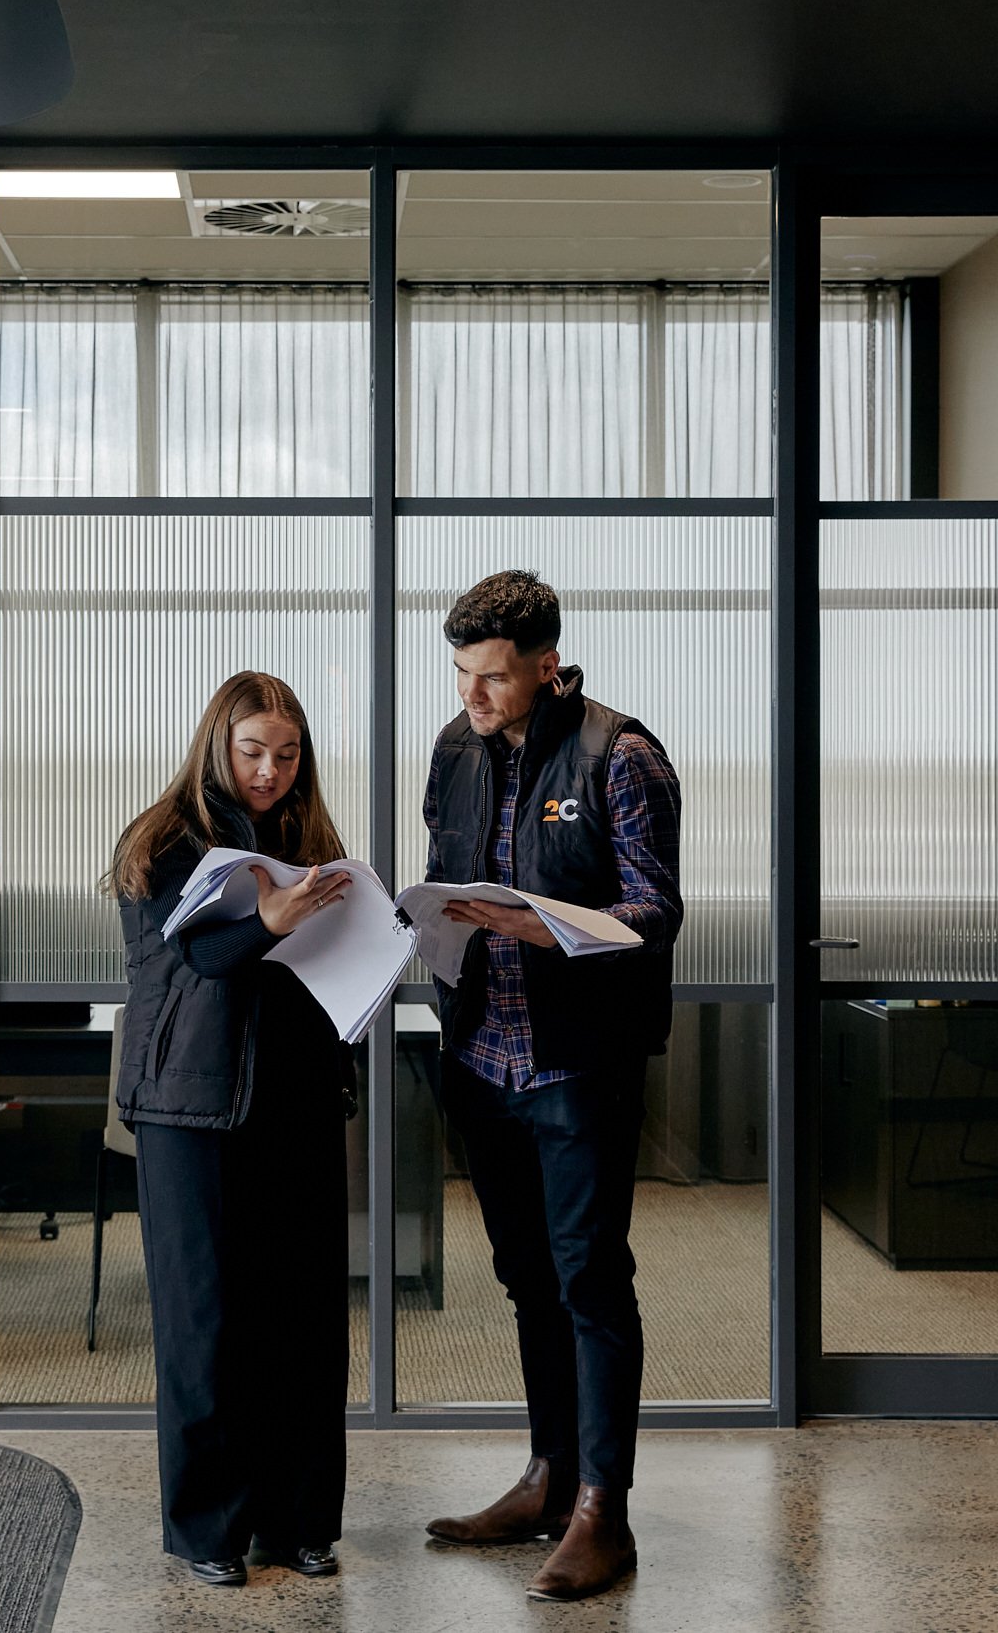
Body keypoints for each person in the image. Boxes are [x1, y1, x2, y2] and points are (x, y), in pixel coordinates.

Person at [418, 569, 682, 1602]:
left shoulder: (619, 753)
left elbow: (654, 909)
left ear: (545, 663)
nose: (471, 696)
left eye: (489, 677)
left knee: (587, 1281)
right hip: (483, 1055)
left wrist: (549, 926)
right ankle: (545, 1473)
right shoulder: (454, 748)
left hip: (578, 1063)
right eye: (460, 674)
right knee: (526, 1276)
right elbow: (448, 868)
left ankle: (600, 1510)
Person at [106, 669, 358, 1588]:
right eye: (253, 751)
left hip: (295, 1096)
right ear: (218, 743)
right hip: (189, 1103)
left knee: (302, 1315)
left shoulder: (309, 835)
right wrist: (270, 917)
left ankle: (297, 1521)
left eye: (287, 754)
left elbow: (323, 961)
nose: (270, 770)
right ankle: (207, 1526)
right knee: (204, 1318)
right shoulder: (164, 839)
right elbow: (197, 953)